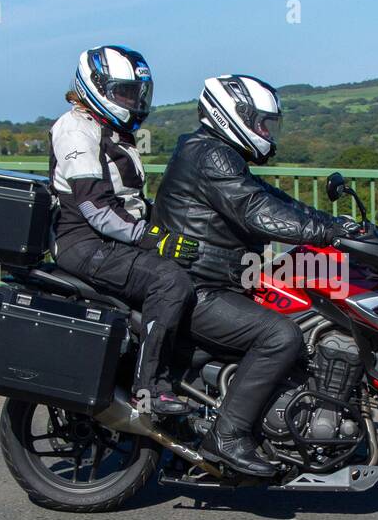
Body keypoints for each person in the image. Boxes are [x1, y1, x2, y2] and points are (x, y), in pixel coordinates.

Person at [151, 74, 359, 477]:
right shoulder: (209, 155)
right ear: (233, 114)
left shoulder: (216, 153)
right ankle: (226, 438)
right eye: (261, 122)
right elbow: (256, 212)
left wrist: (334, 224)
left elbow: (272, 200)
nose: (266, 131)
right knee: (280, 335)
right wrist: (331, 233)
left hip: (214, 281)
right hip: (197, 288)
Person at [49, 45, 199, 415]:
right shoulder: (75, 130)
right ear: (95, 86)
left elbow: (129, 201)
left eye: (135, 93)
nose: (131, 101)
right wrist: (156, 239)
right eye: (123, 92)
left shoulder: (108, 130)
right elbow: (96, 209)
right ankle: (149, 387)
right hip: (84, 243)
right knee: (168, 281)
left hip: (106, 240)